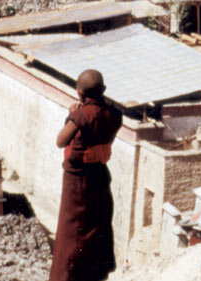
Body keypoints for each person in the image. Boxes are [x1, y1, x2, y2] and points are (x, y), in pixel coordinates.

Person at [49, 69, 123, 281]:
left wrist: (71, 116)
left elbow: (60, 141)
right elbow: (104, 137)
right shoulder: (115, 114)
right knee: (96, 226)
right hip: (100, 176)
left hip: (77, 182)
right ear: (104, 90)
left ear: (80, 93)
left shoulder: (80, 115)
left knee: (71, 232)